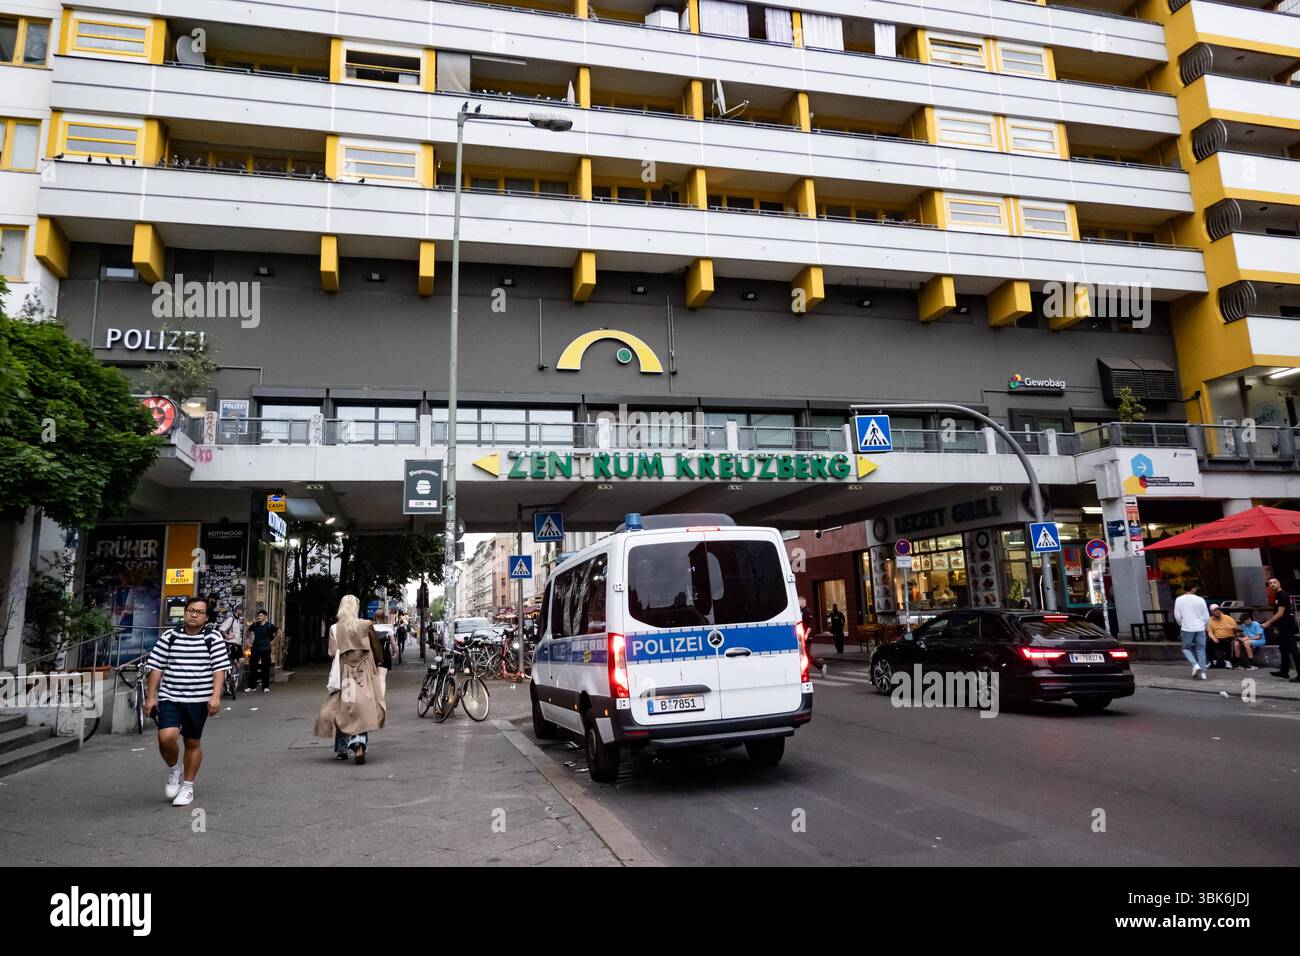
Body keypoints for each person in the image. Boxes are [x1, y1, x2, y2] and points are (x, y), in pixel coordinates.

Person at [142, 595, 230, 807]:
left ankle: (188, 786)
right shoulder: (170, 636)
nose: (193, 615)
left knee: (192, 742)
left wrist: (215, 696)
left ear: (206, 617)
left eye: (199, 612)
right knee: (166, 738)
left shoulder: (213, 638)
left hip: (198, 699)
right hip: (170, 696)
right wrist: (151, 696)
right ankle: (175, 769)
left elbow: (219, 669)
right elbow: (156, 666)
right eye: (190, 610)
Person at [315, 595, 387, 764]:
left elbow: (332, 653)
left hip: (346, 673)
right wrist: (378, 660)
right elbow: (376, 648)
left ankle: (342, 748)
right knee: (363, 707)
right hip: (365, 672)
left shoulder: (334, 628)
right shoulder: (366, 625)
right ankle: (359, 743)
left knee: (346, 707)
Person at [1264, 577, 1300, 682]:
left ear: (1279, 583)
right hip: (1282, 627)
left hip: (1287, 627)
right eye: (1270, 583)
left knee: (1294, 651)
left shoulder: (1283, 595)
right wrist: (1276, 626)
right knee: (1283, 650)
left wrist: (1268, 623)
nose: (1272, 584)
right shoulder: (1277, 596)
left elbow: (1280, 613)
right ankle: (1284, 671)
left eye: (1274, 582)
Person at [1173, 583, 1210, 680]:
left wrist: (1181, 623)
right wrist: (1205, 625)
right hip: (1200, 627)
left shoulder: (1179, 600)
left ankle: (1195, 664)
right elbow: (1206, 616)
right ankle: (1203, 673)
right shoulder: (1200, 600)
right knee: (1201, 650)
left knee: (1186, 648)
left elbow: (1177, 616)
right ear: (1193, 589)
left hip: (1187, 627)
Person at [244, 609, 277, 693]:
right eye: (258, 616)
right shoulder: (256, 625)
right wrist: (249, 639)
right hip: (255, 648)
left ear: (265, 616)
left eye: (261, 615)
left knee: (265, 668)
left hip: (266, 649)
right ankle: (252, 686)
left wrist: (273, 642)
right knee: (252, 667)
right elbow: (248, 630)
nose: (259, 617)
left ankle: (265, 687)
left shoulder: (270, 626)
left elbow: (279, 632)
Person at [1205, 604, 1239, 669]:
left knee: (1227, 641)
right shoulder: (1210, 620)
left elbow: (1237, 630)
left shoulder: (1227, 618)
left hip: (1228, 637)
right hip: (1217, 638)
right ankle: (1211, 661)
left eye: (1218, 610)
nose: (1218, 611)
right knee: (1208, 641)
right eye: (1215, 610)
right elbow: (1210, 632)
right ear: (1212, 612)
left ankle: (1228, 661)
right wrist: (1213, 638)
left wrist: (1233, 628)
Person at [799, 596, 825, 678]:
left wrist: (806, 634)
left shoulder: (807, 611)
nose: (798, 603)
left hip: (807, 637)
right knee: (803, 655)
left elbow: (810, 625)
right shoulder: (800, 611)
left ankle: (821, 666)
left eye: (799, 601)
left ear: (804, 601)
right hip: (801, 637)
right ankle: (803, 672)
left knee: (806, 655)